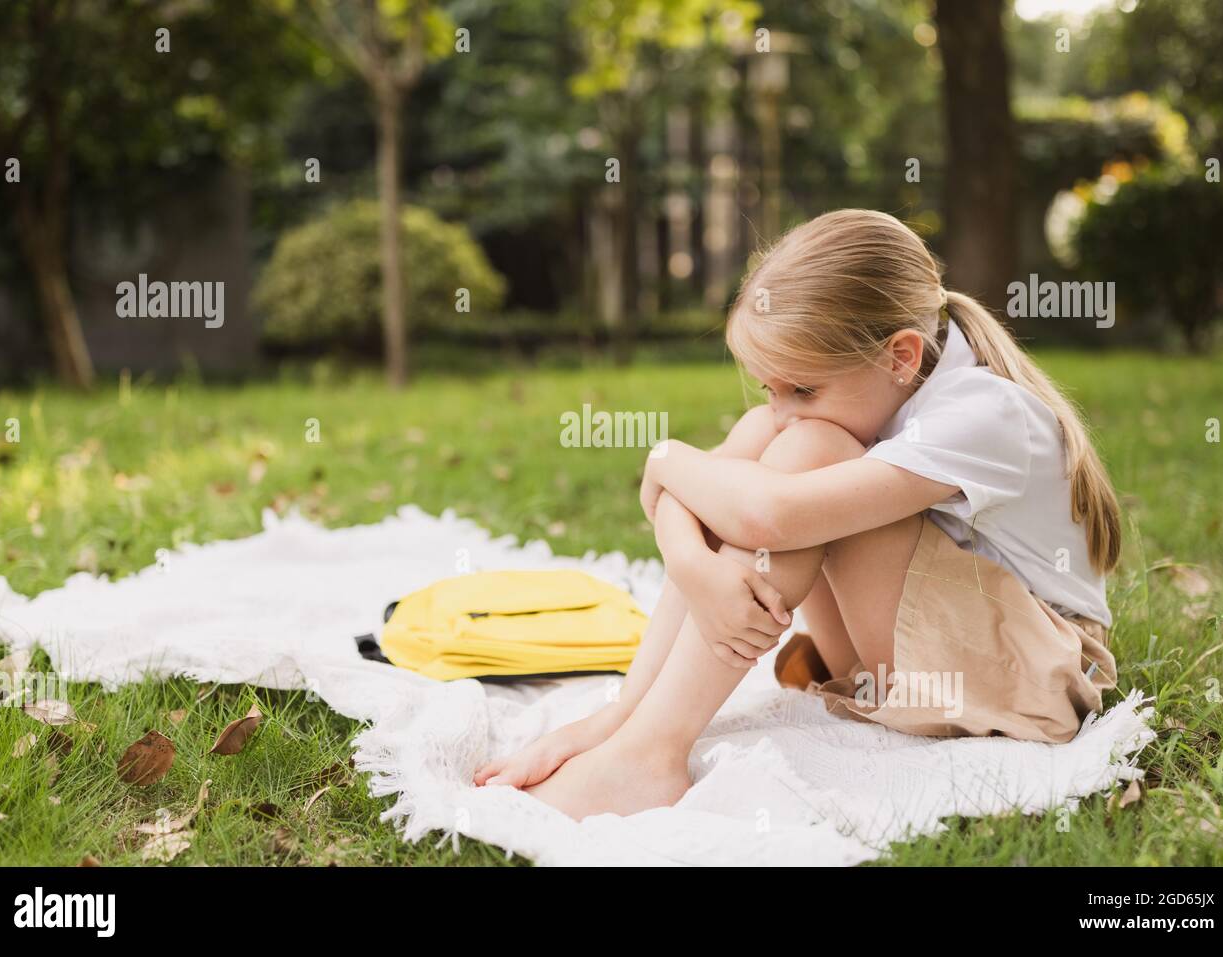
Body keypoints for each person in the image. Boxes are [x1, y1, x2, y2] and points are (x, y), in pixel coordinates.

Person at [474, 209, 1121, 820]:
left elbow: (763, 514)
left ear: (900, 355)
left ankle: (649, 753)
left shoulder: (987, 413)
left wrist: (664, 458)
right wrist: (694, 565)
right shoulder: (877, 386)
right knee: (769, 436)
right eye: (772, 384)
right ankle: (628, 726)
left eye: (803, 387)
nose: (783, 407)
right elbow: (700, 499)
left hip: (1034, 671)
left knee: (809, 448)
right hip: (921, 658)